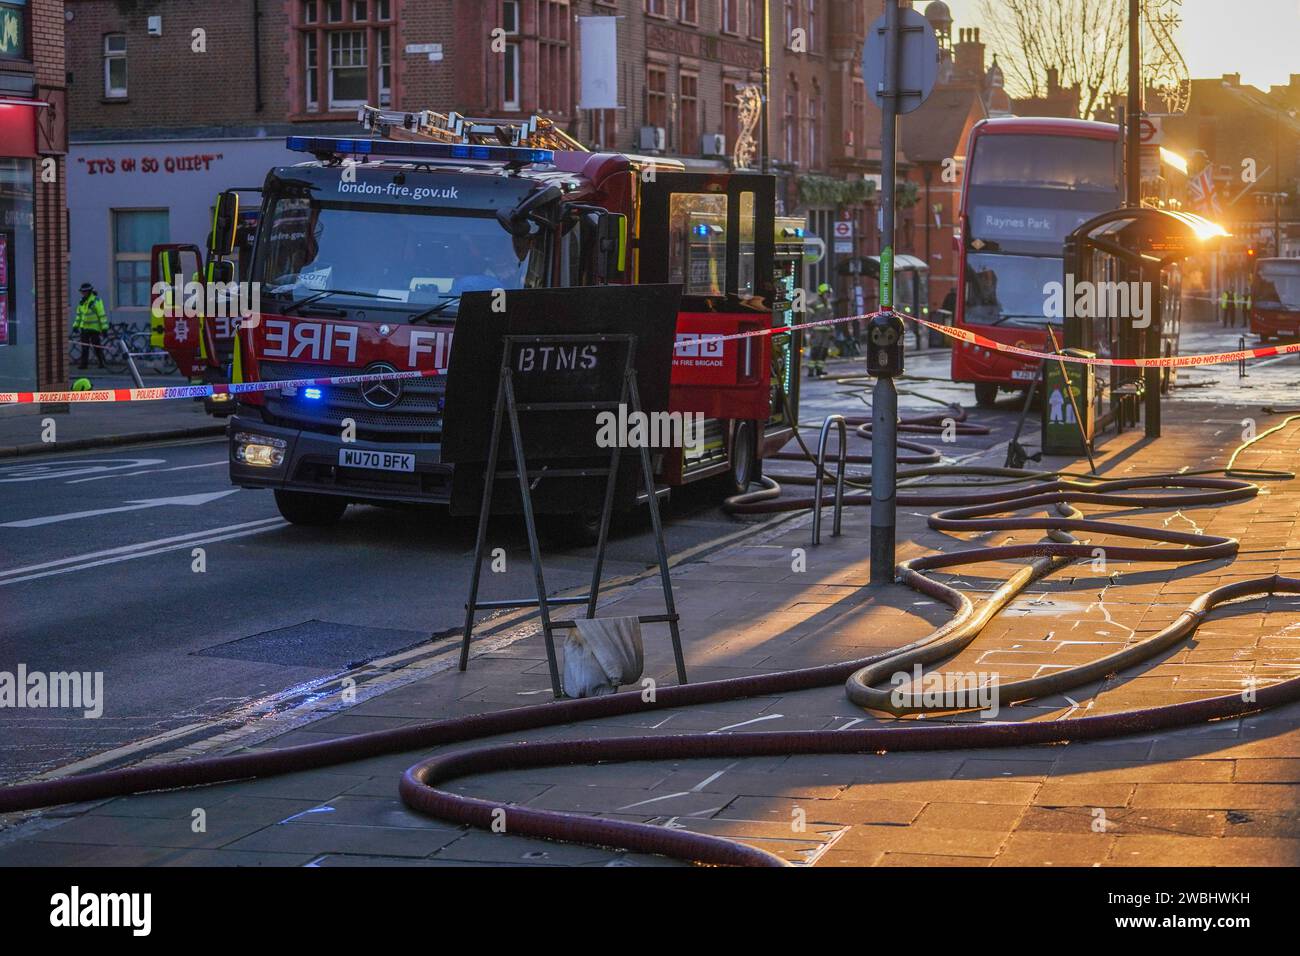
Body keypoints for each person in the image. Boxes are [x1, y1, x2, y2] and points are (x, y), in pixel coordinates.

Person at [74, 282, 108, 370]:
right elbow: (79, 315)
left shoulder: (96, 301)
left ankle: (101, 362)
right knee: (84, 347)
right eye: (82, 292)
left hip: (94, 328)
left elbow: (102, 315)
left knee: (97, 347)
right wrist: (75, 326)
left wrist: (104, 328)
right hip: (84, 328)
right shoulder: (81, 302)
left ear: (89, 291)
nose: (83, 293)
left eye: (84, 291)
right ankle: (84, 364)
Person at [808, 283, 834, 377]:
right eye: (826, 293)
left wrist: (832, 331)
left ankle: (819, 370)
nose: (828, 295)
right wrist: (810, 331)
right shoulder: (814, 303)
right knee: (815, 350)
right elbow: (809, 318)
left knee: (824, 352)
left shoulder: (828, 304)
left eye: (829, 293)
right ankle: (811, 370)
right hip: (817, 332)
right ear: (821, 293)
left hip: (826, 332)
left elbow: (831, 318)